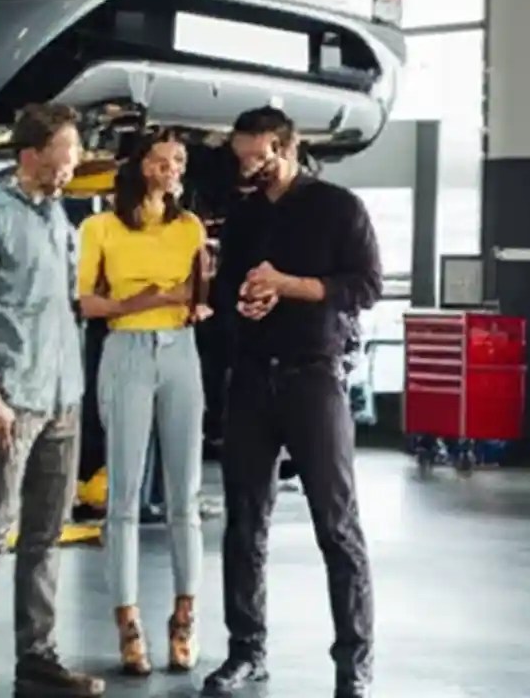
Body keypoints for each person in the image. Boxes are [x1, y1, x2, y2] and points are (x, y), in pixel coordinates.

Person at [203, 107, 382, 698]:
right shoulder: (245, 214)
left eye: (256, 155)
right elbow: (227, 286)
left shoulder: (338, 208)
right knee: (244, 523)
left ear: (285, 146)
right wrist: (245, 301)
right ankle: (246, 652)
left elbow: (366, 287)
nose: (246, 166)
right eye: (240, 156)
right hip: (251, 380)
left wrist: (291, 286)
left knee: (337, 526)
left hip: (315, 380)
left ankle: (353, 664)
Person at [0, 104, 105, 698]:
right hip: (12, 402)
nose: (72, 168)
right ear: (30, 154)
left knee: (45, 535)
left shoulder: (58, 218)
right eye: (65, 156)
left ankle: (37, 656)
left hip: (64, 397)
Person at [76, 130, 210, 675]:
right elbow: (87, 302)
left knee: (187, 496)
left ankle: (185, 617)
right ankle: (128, 623)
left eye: (178, 161)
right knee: (123, 499)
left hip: (182, 350)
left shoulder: (190, 225)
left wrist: (196, 303)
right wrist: (150, 298)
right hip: (126, 348)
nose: (172, 170)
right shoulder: (99, 227)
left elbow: (200, 292)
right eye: (161, 162)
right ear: (138, 167)